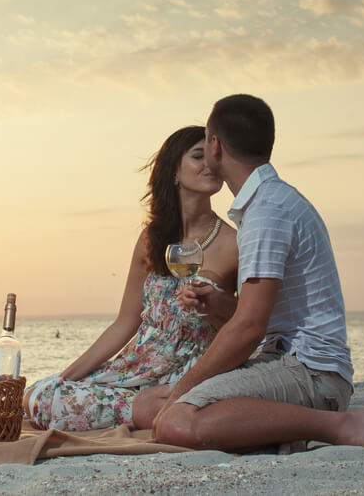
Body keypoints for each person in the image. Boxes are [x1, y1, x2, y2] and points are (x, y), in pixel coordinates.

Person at [152, 94, 364, 450]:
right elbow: (257, 314)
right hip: (294, 365)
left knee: (176, 420)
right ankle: (291, 430)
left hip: (311, 374)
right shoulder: (270, 202)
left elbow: (248, 328)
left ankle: (342, 426)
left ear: (215, 146)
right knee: (185, 411)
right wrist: (219, 303)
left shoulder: (267, 211)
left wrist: (179, 394)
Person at [23, 125, 238, 431]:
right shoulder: (152, 238)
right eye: (197, 156)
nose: (210, 164)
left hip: (191, 371)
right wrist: (65, 377)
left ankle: (151, 409)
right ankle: (137, 410)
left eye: (214, 157)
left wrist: (213, 305)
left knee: (50, 400)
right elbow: (125, 322)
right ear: (174, 171)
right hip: (136, 367)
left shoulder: (234, 243)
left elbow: (245, 323)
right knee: (39, 395)